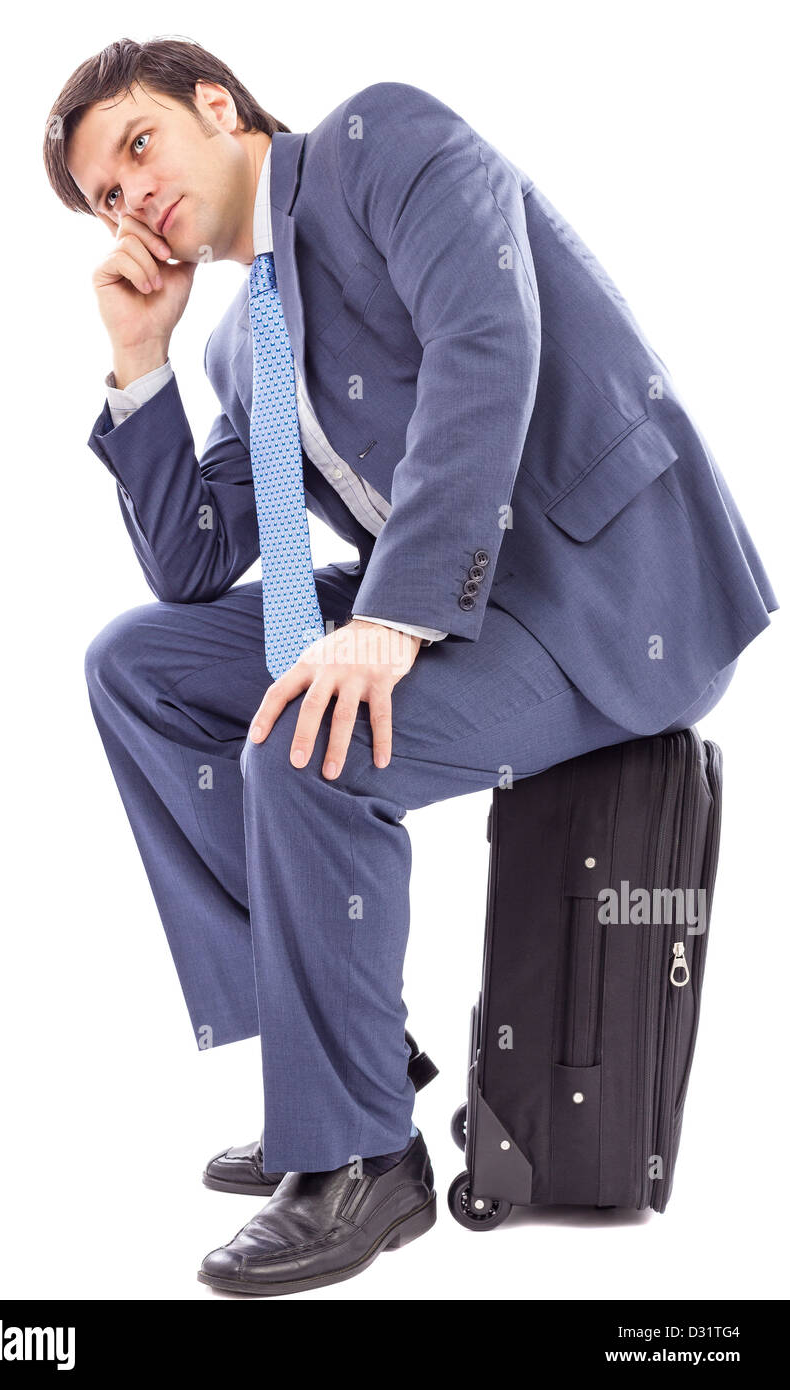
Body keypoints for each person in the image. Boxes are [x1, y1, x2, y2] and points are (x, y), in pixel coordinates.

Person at [42, 36, 777, 1297]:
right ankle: (347, 1059)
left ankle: (363, 1159)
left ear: (214, 104)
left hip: (591, 588)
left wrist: (391, 622)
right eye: (103, 198)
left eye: (137, 146)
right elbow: (193, 558)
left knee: (303, 742)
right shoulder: (238, 350)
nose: (129, 196)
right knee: (138, 665)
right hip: (456, 599)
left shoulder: (383, 145)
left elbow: (486, 347)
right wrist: (143, 358)